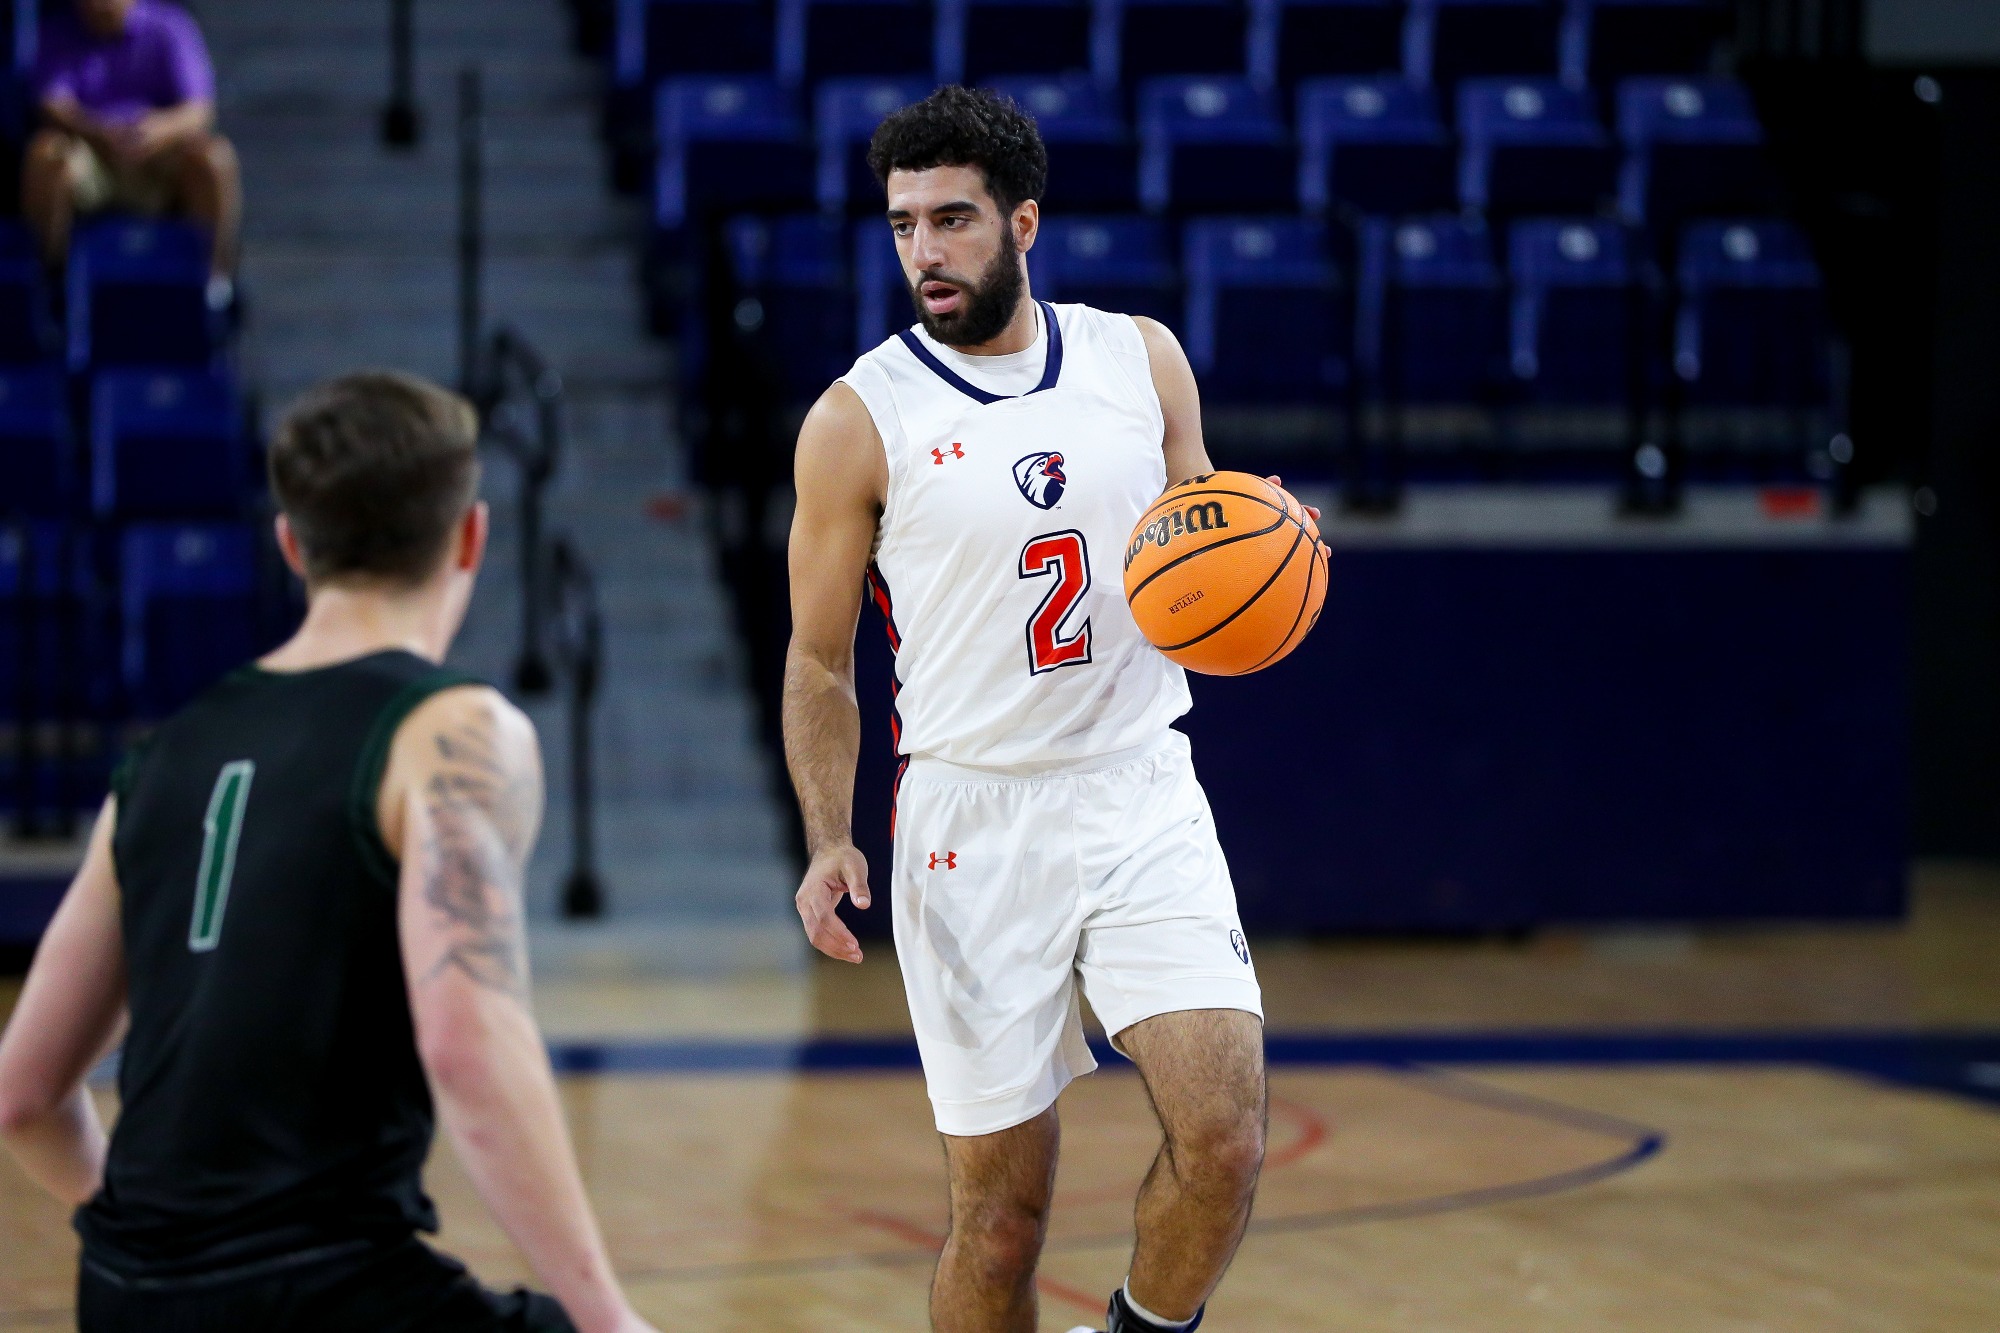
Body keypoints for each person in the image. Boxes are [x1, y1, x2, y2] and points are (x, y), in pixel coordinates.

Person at [786, 86, 1313, 1333]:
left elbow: (1198, 544)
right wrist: (826, 832)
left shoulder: (1141, 358)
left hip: (1137, 786)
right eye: (904, 224)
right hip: (971, 819)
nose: (924, 251)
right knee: (1002, 1216)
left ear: (1023, 222)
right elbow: (818, 661)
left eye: (953, 220)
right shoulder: (857, 420)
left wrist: (1258, 540)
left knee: (1226, 1139)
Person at [0, 372, 656, 1333]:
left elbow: (22, 1094)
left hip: (124, 1292)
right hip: (327, 1290)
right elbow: (467, 1043)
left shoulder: (160, 755)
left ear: (290, 543)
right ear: (471, 535)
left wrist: (155, 1253)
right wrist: (611, 1318)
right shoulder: (452, 728)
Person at [22, 0, 241, 291]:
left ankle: (214, 280)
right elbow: (51, 103)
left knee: (214, 157)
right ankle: (49, 280)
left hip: (158, 159)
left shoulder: (169, 27)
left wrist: (157, 130)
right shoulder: (57, 31)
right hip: (91, 158)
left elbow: (198, 108)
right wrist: (97, 131)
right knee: (46, 154)